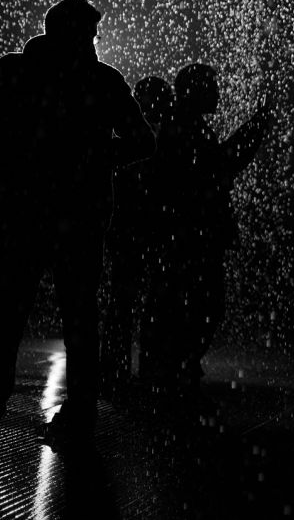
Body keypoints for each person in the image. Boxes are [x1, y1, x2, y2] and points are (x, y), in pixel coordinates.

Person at [0, 0, 155, 456]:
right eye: (91, 34)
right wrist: (92, 159)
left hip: (20, 213)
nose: (95, 42)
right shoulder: (102, 82)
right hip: (81, 217)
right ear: (80, 35)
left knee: (6, 317)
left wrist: (30, 147)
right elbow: (144, 141)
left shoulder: (15, 72)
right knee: (80, 316)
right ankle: (80, 411)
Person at [144, 63, 271, 406]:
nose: (217, 92)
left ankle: (174, 372)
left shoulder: (184, 125)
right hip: (191, 234)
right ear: (195, 90)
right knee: (202, 304)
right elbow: (220, 163)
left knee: (192, 303)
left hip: (187, 233)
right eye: (211, 86)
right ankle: (176, 373)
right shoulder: (185, 127)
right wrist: (256, 126)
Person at [99, 75, 174, 403]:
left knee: (124, 301)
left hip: (130, 228)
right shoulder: (161, 137)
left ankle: (115, 370)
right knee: (145, 301)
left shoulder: (136, 136)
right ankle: (142, 371)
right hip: (146, 229)